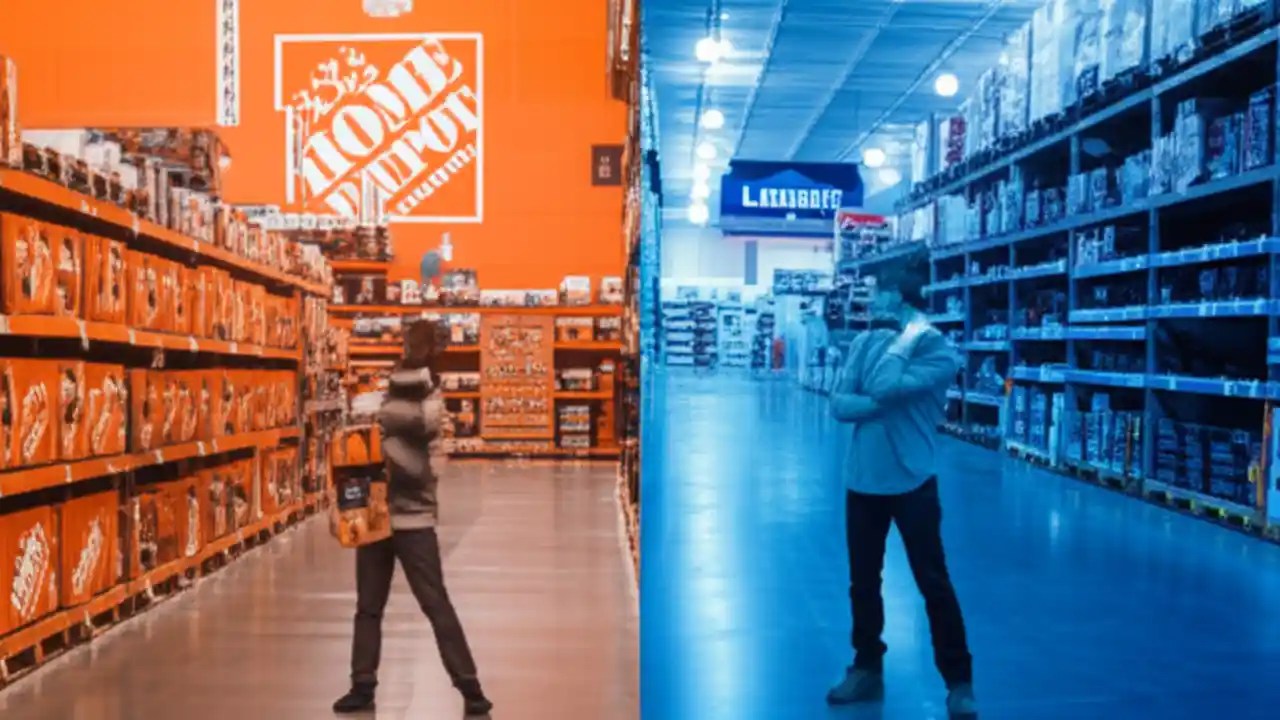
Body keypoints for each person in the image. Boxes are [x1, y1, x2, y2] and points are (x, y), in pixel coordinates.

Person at [825, 253, 977, 719]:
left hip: (912, 481)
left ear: (903, 299)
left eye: (881, 292)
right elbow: (838, 405)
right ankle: (866, 667)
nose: (873, 300)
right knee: (863, 581)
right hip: (863, 481)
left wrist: (906, 337)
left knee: (934, 580)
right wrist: (874, 401)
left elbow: (887, 385)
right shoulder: (863, 342)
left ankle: (958, 681)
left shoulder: (937, 350)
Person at [333, 319, 493, 717]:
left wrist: (382, 446)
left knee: (378, 605)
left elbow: (392, 444)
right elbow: (430, 458)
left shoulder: (397, 398)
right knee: (424, 603)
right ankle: (466, 690)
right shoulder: (418, 397)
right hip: (400, 514)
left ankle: (368, 685)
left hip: (389, 513)